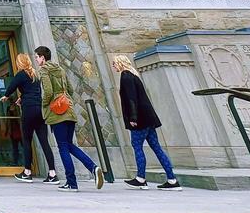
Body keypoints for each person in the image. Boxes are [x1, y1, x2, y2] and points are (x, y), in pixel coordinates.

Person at [36, 46, 104, 192]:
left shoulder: (44, 70)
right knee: (69, 144)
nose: (36, 60)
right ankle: (93, 167)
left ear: (42, 57)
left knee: (63, 147)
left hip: (57, 113)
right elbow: (71, 90)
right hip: (68, 110)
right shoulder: (60, 69)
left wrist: (44, 105)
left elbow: (47, 91)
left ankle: (71, 183)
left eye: (37, 57)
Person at [113, 54, 181, 190]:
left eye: (114, 63)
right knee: (157, 148)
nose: (113, 66)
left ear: (120, 63)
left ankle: (141, 178)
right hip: (148, 117)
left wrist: (133, 118)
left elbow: (131, 98)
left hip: (140, 119)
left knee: (137, 146)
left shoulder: (126, 76)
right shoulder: (134, 75)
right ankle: (172, 179)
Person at [0, 53, 58, 183]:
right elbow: (32, 91)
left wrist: (6, 96)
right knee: (44, 141)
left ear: (19, 63)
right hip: (40, 109)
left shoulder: (21, 74)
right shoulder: (35, 74)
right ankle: (52, 173)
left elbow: (12, 86)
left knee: (26, 140)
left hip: (29, 110)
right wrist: (22, 98)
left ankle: (27, 172)